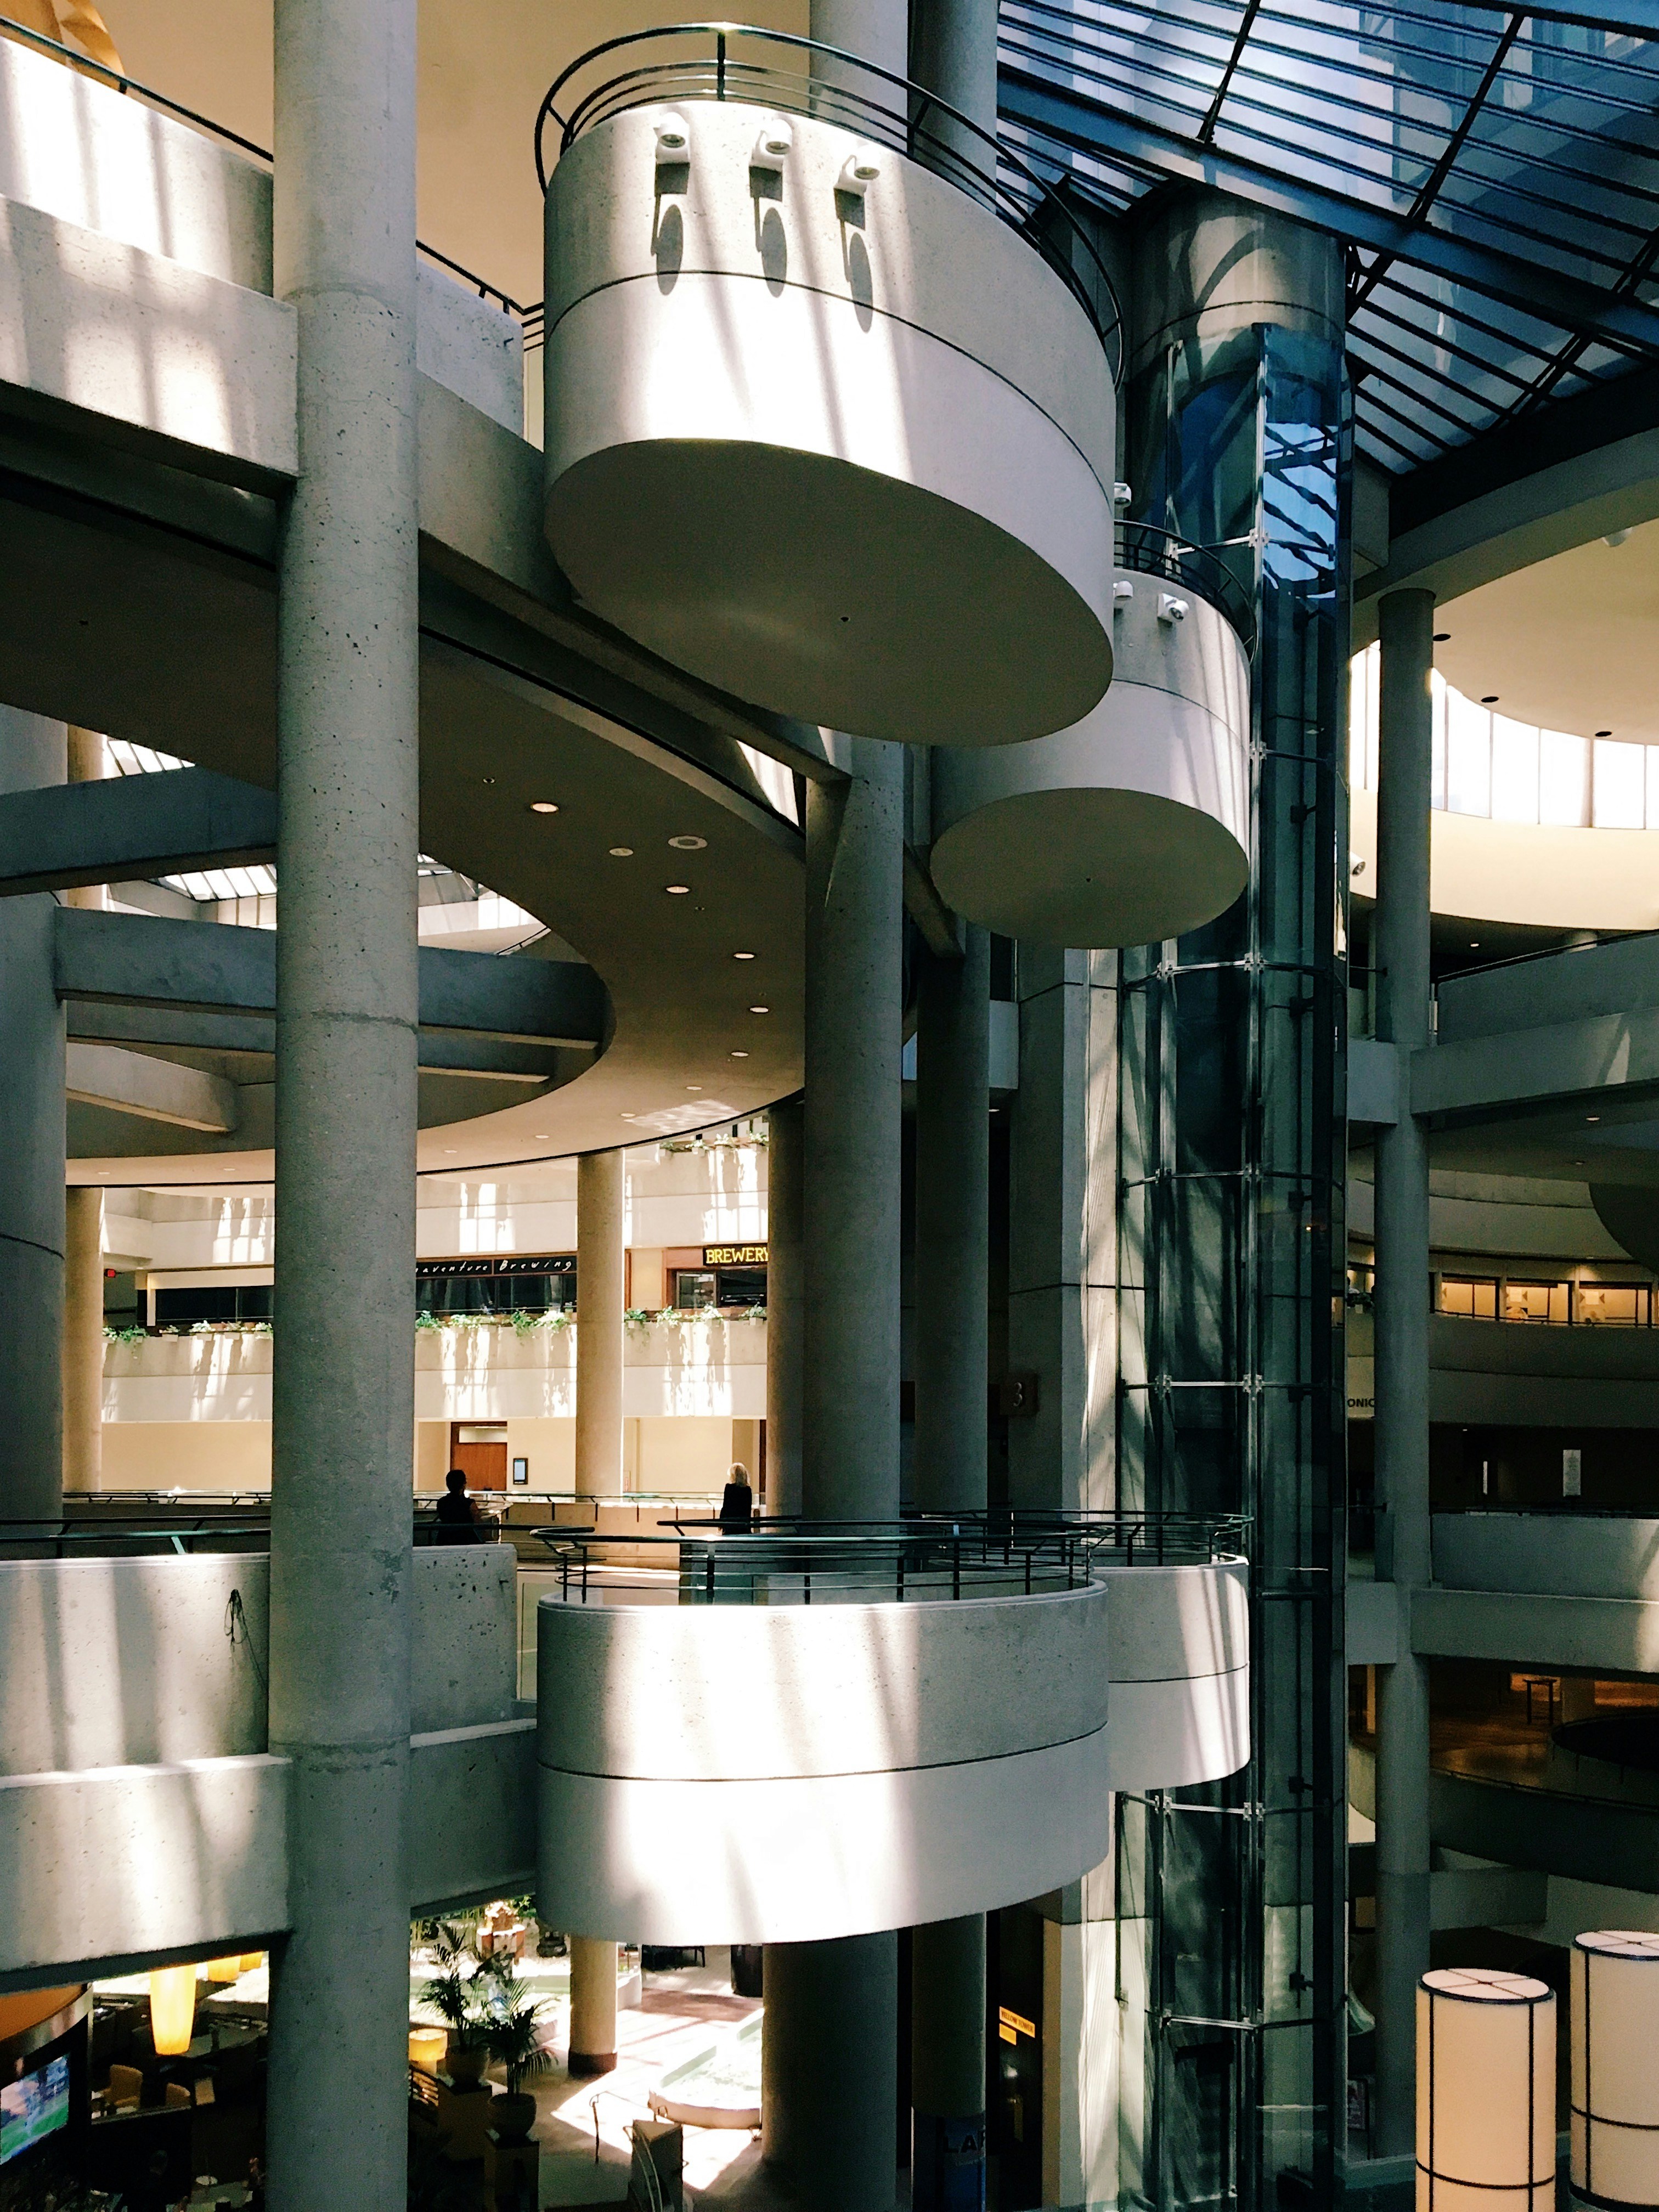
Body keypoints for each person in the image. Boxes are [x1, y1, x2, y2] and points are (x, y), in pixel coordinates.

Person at [435, 1466, 484, 1544]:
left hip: (445, 1538)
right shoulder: (470, 1504)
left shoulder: (441, 1502)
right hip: (465, 1539)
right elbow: (479, 1524)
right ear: (464, 1484)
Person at [718, 1460, 754, 1531]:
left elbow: (726, 1507)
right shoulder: (747, 1490)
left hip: (730, 1523)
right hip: (743, 1524)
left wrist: (721, 1522)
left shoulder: (729, 1488)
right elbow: (748, 1510)